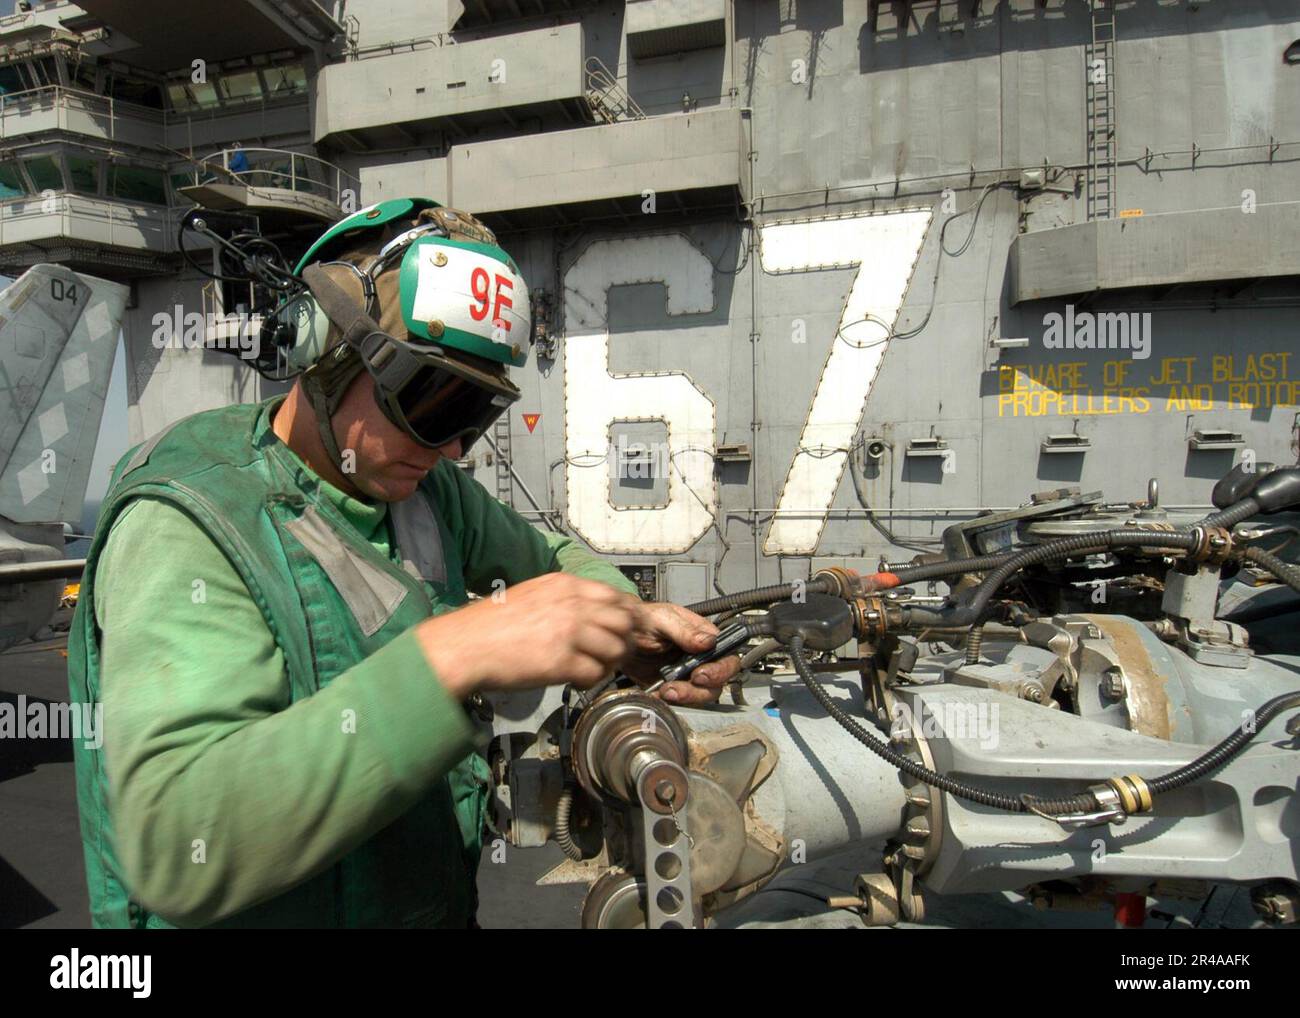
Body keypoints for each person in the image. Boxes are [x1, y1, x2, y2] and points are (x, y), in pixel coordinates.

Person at [67, 198, 740, 928]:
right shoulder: (187, 523)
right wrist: (460, 650)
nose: (451, 448)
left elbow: (552, 561)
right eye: (429, 399)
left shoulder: (430, 493)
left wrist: (624, 624)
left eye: (473, 413)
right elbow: (176, 842)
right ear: (324, 347)